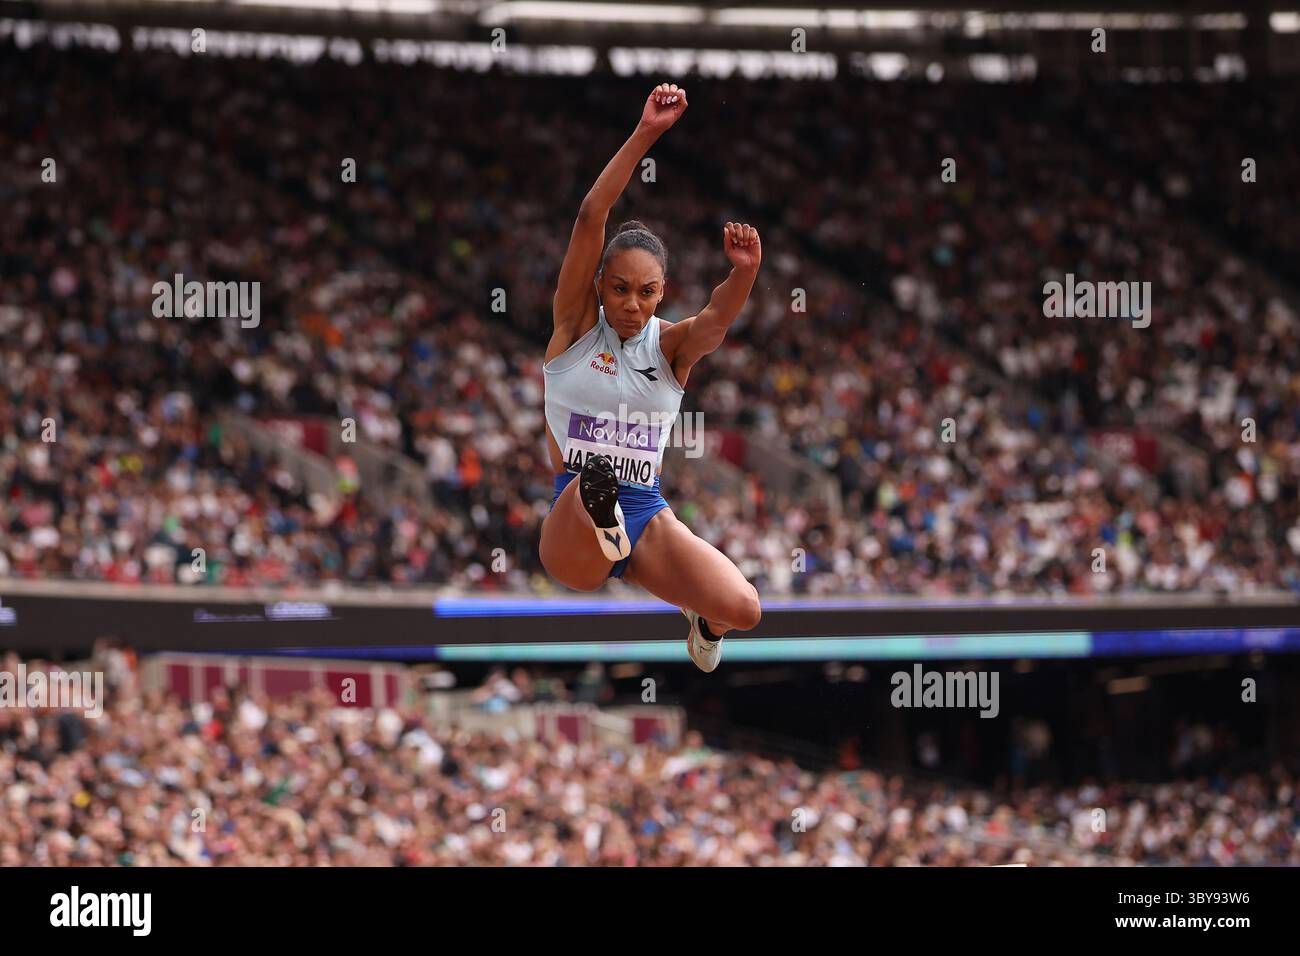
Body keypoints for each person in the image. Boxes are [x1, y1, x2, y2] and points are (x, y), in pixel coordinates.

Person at [538, 82, 763, 672]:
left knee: (745, 608)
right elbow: (592, 215)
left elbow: (715, 321)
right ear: (598, 287)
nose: (632, 304)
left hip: (647, 511)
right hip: (574, 517)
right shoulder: (574, 327)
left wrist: (744, 274)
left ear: (663, 292)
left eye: (646, 292)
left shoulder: (671, 346)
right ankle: (602, 516)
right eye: (618, 289)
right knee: (594, 485)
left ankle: (701, 622)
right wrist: (647, 133)